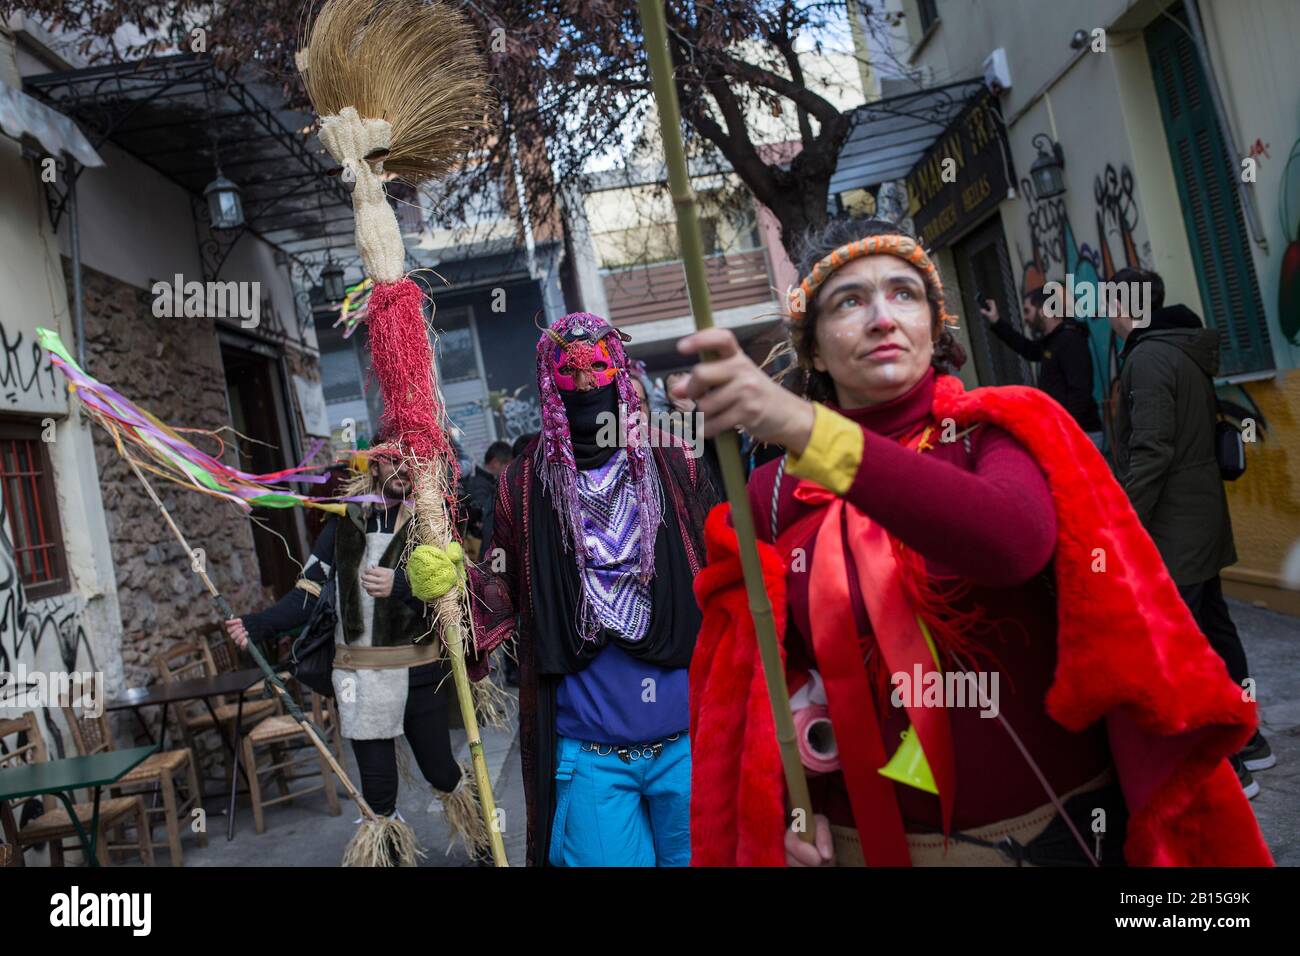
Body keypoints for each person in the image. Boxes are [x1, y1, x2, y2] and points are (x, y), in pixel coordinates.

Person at [675, 217, 1271, 867]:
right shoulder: (766, 495)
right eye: (850, 301)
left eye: (904, 294)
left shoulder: (999, 434)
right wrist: (793, 812)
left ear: (935, 327)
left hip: (1052, 837)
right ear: (814, 349)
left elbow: (1011, 542)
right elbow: (759, 703)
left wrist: (807, 432)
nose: (882, 318)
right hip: (861, 847)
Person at [411, 312, 718, 866]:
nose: (583, 383)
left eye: (597, 366)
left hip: (693, 747)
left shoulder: (675, 461)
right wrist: (452, 585)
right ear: (547, 381)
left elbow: (725, 574)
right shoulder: (522, 485)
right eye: (567, 371)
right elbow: (498, 593)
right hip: (591, 759)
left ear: (619, 372)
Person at [226, 445, 485, 861]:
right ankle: (391, 856)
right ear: (376, 463)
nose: (403, 469)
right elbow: (306, 596)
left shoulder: (430, 523)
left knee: (442, 771)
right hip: (360, 679)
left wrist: (401, 586)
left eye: (412, 461)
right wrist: (258, 625)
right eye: (393, 460)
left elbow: (455, 602)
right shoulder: (342, 524)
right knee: (378, 793)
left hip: (420, 672)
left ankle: (481, 836)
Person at [1108, 266, 1274, 793]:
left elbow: (1152, 448)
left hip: (1174, 525)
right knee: (1215, 629)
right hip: (1197, 517)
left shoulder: (1151, 357)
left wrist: (1124, 521)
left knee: (1185, 641)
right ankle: (1249, 740)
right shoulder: (1176, 346)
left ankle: (1228, 762)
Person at [981, 288, 1103, 446]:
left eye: (1027, 311)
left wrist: (1065, 428)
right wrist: (996, 321)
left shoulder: (1069, 340)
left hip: (1079, 433)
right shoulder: (1053, 341)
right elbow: (1027, 349)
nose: (1025, 318)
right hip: (1067, 432)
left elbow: (1080, 391)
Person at [463, 441, 512, 559]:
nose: (508, 470)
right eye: (507, 465)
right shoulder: (480, 484)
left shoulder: (484, 481)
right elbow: (485, 519)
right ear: (495, 462)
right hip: (486, 553)